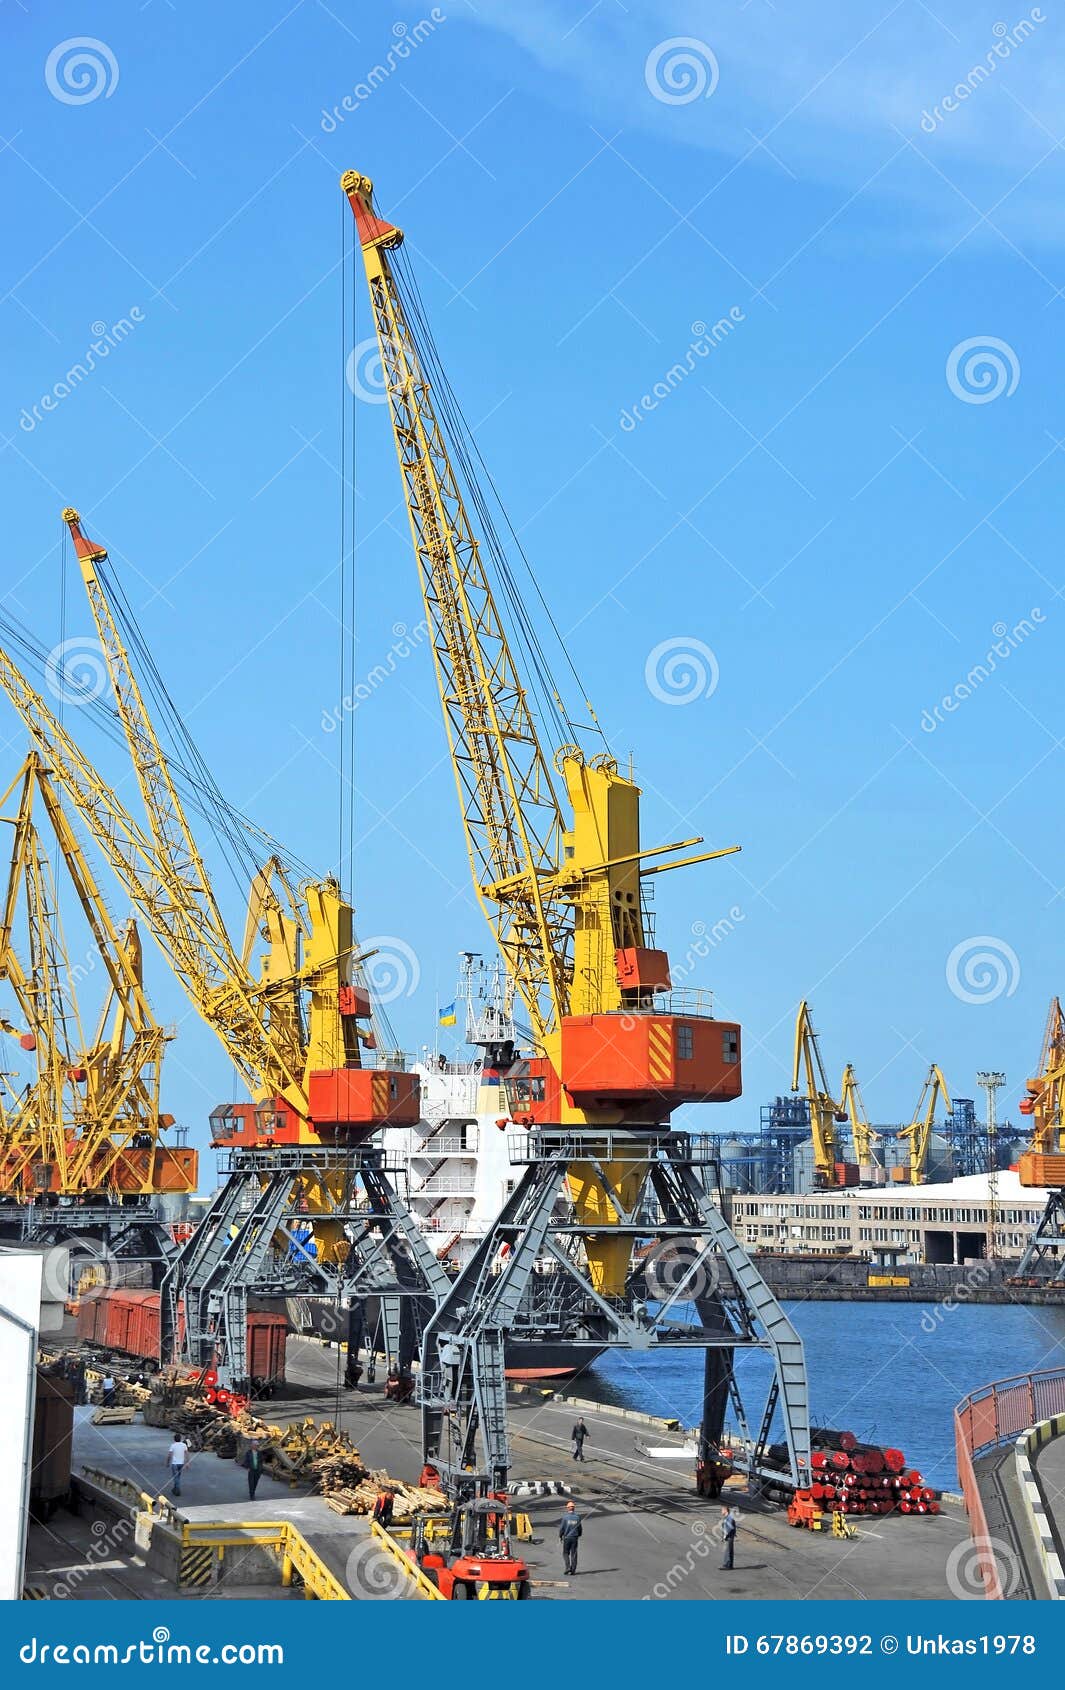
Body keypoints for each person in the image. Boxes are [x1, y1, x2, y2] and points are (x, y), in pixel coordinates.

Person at [558, 1500, 582, 1575]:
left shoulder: (565, 1518)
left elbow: (562, 1528)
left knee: (565, 1553)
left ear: (568, 1508)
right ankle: (573, 1570)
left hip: (567, 1538)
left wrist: (560, 1536)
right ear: (573, 1508)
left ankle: (567, 1567)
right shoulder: (577, 1517)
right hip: (575, 1538)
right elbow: (580, 1528)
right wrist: (579, 1535)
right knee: (574, 1554)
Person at [719, 1504, 737, 1570]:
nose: (721, 1512)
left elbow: (729, 1528)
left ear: (725, 1510)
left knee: (728, 1551)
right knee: (728, 1551)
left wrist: (724, 1536)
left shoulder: (729, 1518)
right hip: (729, 1536)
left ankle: (727, 1565)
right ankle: (728, 1565)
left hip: (729, 1537)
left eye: (722, 1510)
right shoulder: (727, 1517)